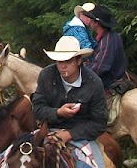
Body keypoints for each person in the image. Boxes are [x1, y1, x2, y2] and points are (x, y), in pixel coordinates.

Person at [30, 36, 109, 168]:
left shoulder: (94, 83)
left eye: (68, 61)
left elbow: (99, 123)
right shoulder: (46, 75)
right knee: (6, 158)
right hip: (48, 130)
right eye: (59, 61)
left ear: (79, 60)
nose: (63, 66)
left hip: (81, 135)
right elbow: (37, 108)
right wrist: (58, 113)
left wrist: (69, 134)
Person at [83, 5, 128, 92]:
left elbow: (99, 67)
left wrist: (82, 73)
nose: (90, 22)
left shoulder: (107, 41)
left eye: (91, 19)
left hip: (108, 82)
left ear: (96, 23)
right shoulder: (110, 36)